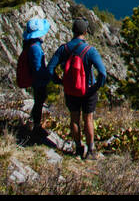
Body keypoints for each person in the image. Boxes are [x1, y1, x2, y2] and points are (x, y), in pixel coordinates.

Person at [46, 17, 107, 159]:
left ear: (73, 30)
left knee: (74, 118)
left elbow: (50, 68)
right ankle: (91, 151)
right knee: (88, 119)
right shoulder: (90, 51)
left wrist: (60, 82)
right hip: (87, 91)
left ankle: (79, 148)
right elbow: (102, 73)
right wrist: (97, 86)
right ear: (85, 32)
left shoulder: (64, 49)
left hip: (71, 90)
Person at [17, 17, 52, 142]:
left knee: (39, 102)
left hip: (36, 81)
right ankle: (35, 126)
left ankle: (34, 125)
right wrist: (49, 76)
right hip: (39, 82)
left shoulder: (30, 45)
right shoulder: (35, 48)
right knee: (39, 101)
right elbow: (38, 68)